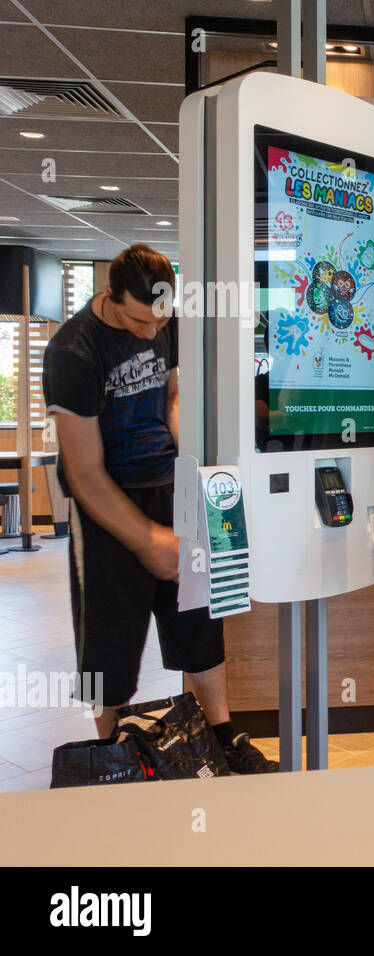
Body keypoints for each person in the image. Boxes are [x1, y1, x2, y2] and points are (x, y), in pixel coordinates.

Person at [42, 243, 277, 771]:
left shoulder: (163, 320)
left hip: (169, 489)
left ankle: (222, 738)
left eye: (159, 321)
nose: (151, 332)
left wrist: (192, 476)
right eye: (138, 321)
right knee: (111, 646)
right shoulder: (72, 353)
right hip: (106, 506)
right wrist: (146, 538)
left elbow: (171, 398)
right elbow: (83, 471)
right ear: (109, 294)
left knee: (199, 621)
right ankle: (114, 755)